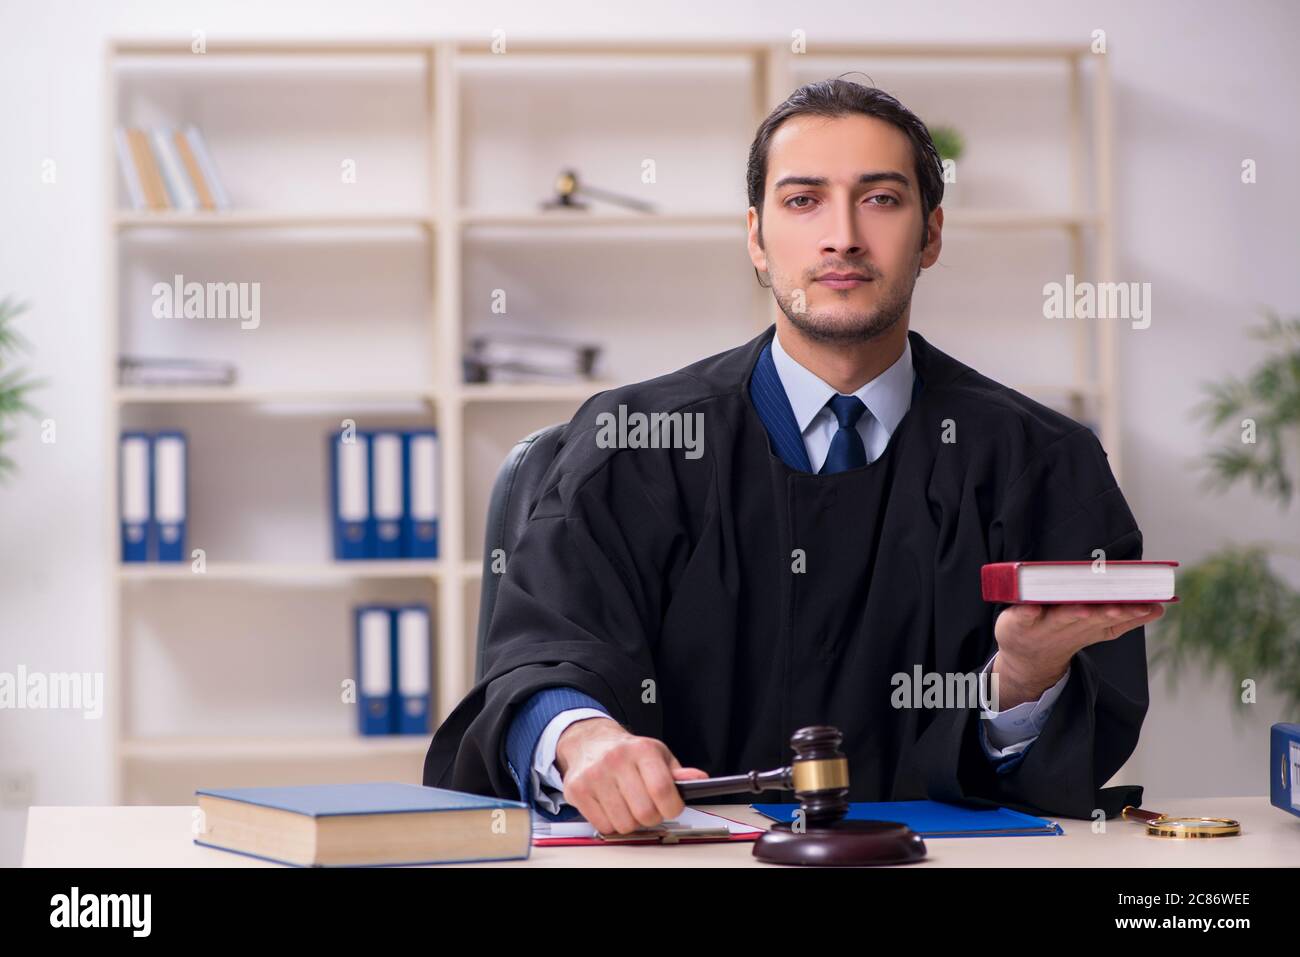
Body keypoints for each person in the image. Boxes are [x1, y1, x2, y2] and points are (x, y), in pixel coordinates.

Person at [423, 78, 1162, 834]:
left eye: (880, 199)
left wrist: (1023, 677)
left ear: (931, 234)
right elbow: (541, 656)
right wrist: (585, 738)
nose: (842, 236)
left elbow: (1069, 773)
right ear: (756, 236)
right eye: (804, 200)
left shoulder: (1044, 464)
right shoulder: (632, 445)